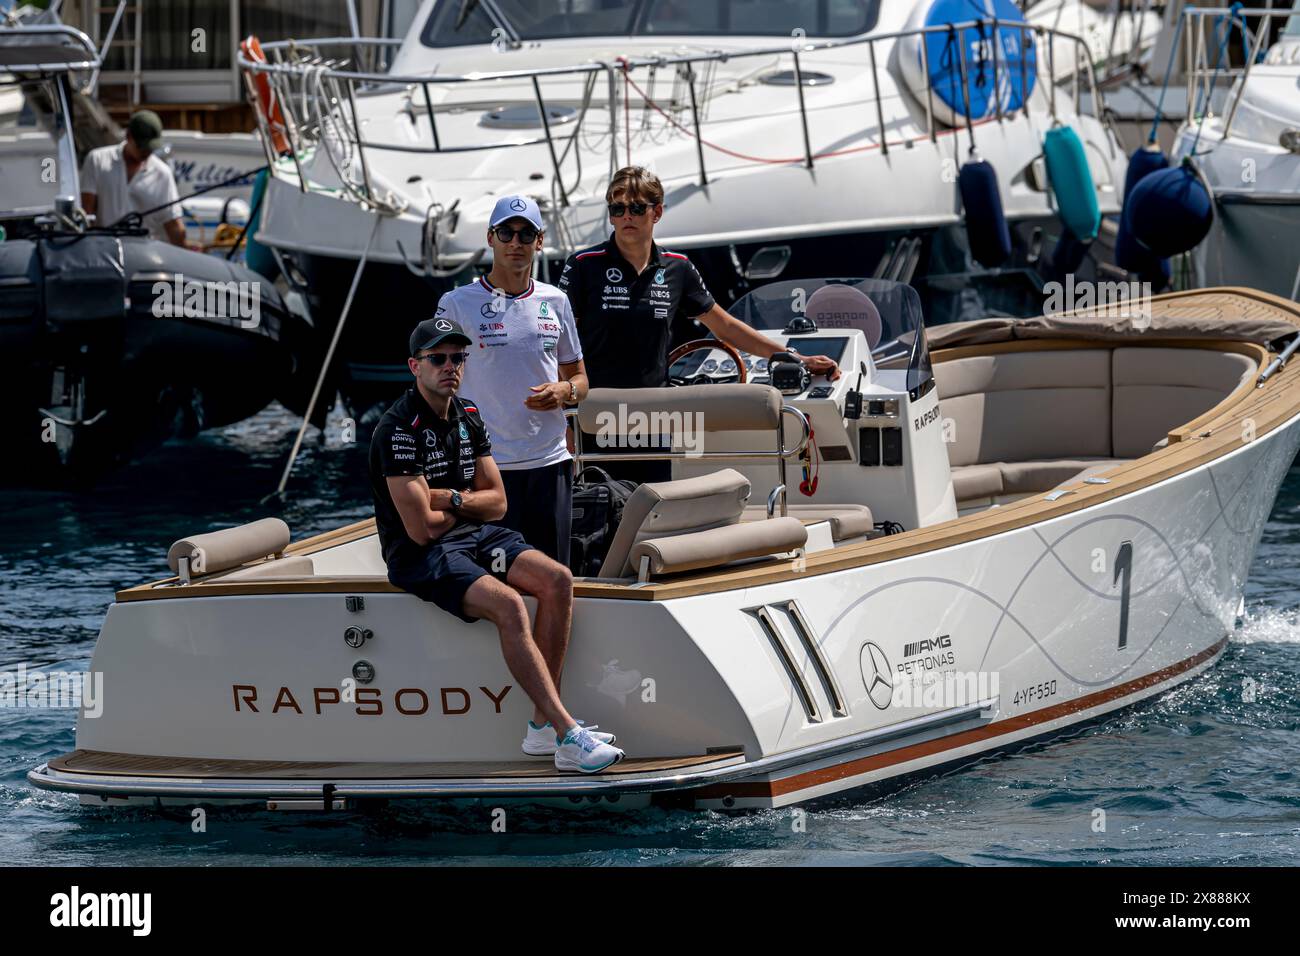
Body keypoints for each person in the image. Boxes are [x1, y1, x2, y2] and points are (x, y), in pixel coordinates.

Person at [368, 316, 623, 773]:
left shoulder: (468, 414)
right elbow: (421, 530)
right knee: (508, 605)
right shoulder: (397, 430)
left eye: (458, 357)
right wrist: (470, 503)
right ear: (415, 365)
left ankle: (544, 727)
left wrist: (451, 496)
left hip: (477, 537)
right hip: (423, 556)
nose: (450, 366)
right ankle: (568, 732)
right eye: (438, 358)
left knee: (557, 580)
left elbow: (499, 503)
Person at [558, 165, 839, 480]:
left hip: (651, 416)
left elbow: (725, 327)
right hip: (595, 414)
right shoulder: (583, 266)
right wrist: (564, 420)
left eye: (637, 208)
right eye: (617, 208)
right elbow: (557, 343)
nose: (627, 216)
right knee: (598, 513)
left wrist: (793, 356)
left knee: (649, 510)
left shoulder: (678, 268)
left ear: (657, 212)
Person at [432, 195, 587, 565]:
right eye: (506, 233)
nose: (516, 242)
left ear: (540, 241)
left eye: (525, 234)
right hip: (487, 470)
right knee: (497, 580)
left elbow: (580, 379)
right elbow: (433, 381)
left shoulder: (556, 300)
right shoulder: (457, 303)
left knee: (554, 576)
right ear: (490, 238)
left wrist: (563, 391)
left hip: (550, 464)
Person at [79, 110, 188, 246]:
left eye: (151, 148)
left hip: (145, 255)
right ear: (128, 136)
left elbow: (173, 225)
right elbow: (86, 213)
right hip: (105, 251)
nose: (146, 152)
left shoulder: (162, 173)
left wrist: (185, 256)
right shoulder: (97, 160)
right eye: (142, 147)